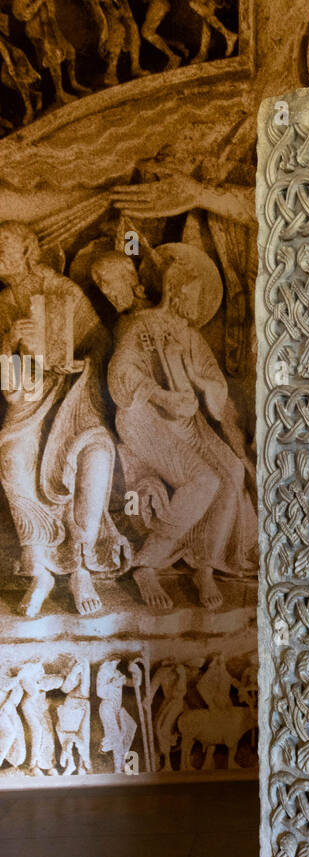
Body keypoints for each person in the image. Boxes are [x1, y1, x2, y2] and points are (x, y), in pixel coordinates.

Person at [107, 254, 256, 611]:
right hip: (145, 420)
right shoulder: (141, 325)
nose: (197, 304)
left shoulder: (191, 337)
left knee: (232, 472)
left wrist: (197, 381)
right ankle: (147, 563)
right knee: (203, 480)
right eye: (191, 295)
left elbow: (215, 385)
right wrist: (160, 395)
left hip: (187, 424)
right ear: (173, 293)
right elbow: (121, 372)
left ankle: (204, 564)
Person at [0, 222, 129, 617]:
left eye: (5, 247)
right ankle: (37, 567)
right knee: (12, 454)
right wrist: (10, 341)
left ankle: (81, 565)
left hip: (75, 396)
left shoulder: (64, 292)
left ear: (29, 252)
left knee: (96, 452)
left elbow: (101, 343)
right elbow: (8, 380)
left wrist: (76, 361)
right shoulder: (4, 303)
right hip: (29, 396)